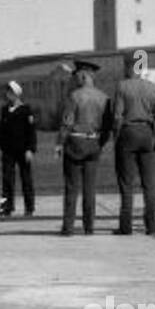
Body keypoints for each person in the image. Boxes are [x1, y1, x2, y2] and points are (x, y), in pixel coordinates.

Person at [55, 59, 109, 236]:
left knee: (71, 187)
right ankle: (89, 227)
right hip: (94, 144)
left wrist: (59, 143)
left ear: (84, 75)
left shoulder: (74, 96)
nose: (75, 78)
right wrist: (100, 143)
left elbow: (67, 122)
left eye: (77, 75)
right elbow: (107, 127)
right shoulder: (103, 97)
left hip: (75, 143)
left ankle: (68, 227)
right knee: (90, 189)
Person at [111, 52, 155, 235]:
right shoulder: (154, 87)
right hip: (147, 132)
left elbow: (117, 115)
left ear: (128, 66)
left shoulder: (122, 86)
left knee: (126, 183)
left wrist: (116, 135)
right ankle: (151, 225)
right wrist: (152, 131)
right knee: (149, 183)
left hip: (128, 131)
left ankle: (126, 226)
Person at [0, 80, 36, 217]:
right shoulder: (4, 110)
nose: (6, 94)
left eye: (9, 92)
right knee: (7, 180)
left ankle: (29, 208)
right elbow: (1, 130)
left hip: (23, 150)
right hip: (8, 151)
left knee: (26, 180)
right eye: (6, 91)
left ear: (16, 94)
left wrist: (30, 149)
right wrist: (1, 146)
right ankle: (6, 207)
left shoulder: (26, 110)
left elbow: (31, 132)